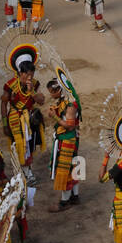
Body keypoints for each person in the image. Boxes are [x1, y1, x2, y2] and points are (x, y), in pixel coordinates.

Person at [0, 60, 45, 182]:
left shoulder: (35, 84)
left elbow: (41, 101)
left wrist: (32, 91)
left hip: (30, 118)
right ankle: (25, 172)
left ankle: (27, 170)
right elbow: (3, 104)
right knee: (20, 145)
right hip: (15, 119)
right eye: (27, 75)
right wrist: (4, 124)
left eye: (32, 75)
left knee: (30, 145)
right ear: (21, 73)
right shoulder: (10, 85)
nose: (30, 77)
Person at [47, 78, 80, 212]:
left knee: (65, 170)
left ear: (58, 90)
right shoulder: (65, 102)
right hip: (67, 140)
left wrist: (54, 117)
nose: (51, 95)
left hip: (68, 140)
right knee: (73, 166)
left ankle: (64, 202)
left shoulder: (70, 106)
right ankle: (75, 196)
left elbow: (70, 126)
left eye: (52, 92)